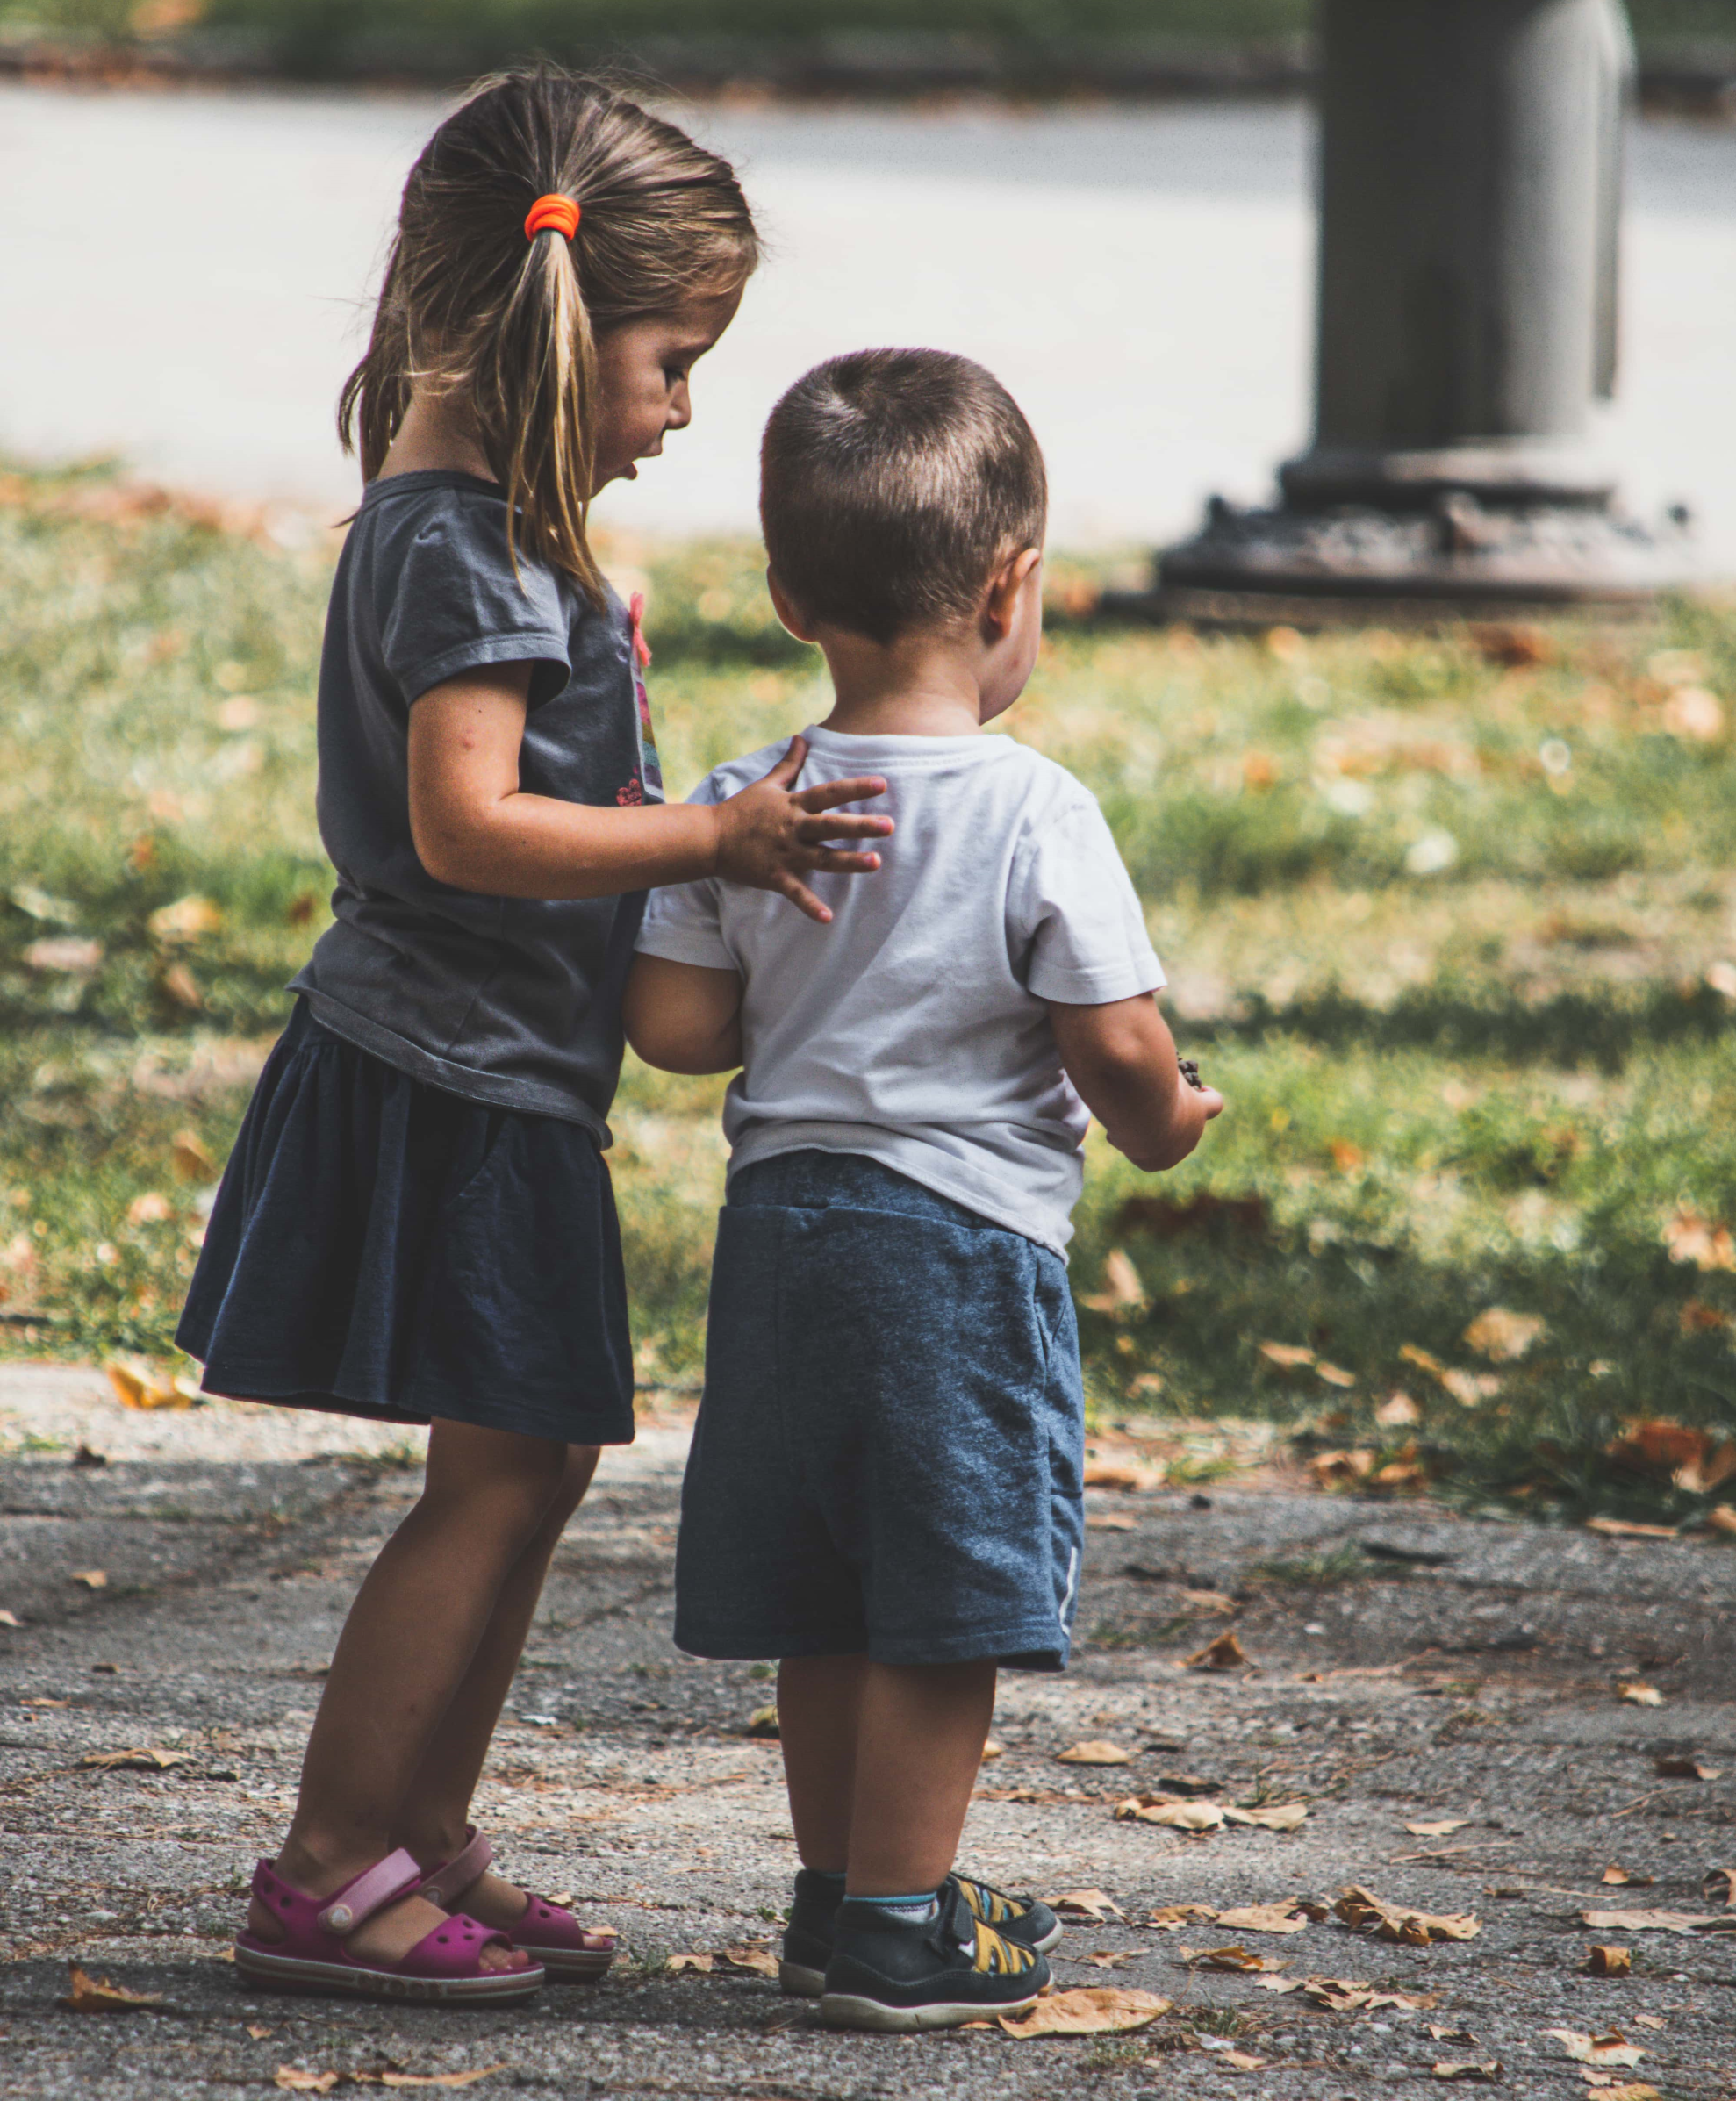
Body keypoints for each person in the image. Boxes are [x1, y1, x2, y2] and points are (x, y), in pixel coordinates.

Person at [176, 72, 893, 2007]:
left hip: (496, 1075)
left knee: (536, 1463)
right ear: (563, 327)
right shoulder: (467, 550)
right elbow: (466, 825)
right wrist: (719, 834)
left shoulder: (483, 530)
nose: (682, 409)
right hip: (450, 1077)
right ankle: (333, 1864)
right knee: (491, 1481)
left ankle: (421, 1832)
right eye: (675, 361)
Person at [624, 348, 1223, 2033]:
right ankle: (902, 1921)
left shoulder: (745, 799)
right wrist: (1168, 1121)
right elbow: (1113, 1042)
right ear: (1010, 585)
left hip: (783, 1236)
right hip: (956, 1255)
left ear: (791, 592)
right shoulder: (1039, 810)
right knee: (947, 1592)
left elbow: (677, 1032)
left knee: (825, 1581)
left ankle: (838, 1893)